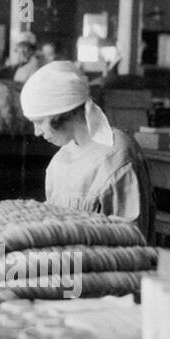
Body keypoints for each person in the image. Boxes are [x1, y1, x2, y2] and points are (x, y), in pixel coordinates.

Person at [20, 60, 154, 243]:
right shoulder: (59, 161)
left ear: (63, 114)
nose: (37, 132)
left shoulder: (118, 158)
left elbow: (133, 240)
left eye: (39, 122)